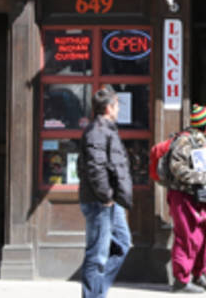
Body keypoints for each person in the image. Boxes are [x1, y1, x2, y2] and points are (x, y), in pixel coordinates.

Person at [167, 104, 206, 293]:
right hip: (185, 197)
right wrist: (203, 177)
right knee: (188, 238)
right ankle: (181, 280)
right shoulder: (184, 142)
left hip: (205, 196)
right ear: (202, 124)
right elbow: (177, 169)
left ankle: (199, 274)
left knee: (205, 237)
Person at [78, 87, 133, 298]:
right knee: (97, 255)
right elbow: (95, 167)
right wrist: (106, 196)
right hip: (100, 202)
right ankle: (94, 295)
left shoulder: (107, 129)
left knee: (123, 243)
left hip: (111, 200)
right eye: (117, 105)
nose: (119, 109)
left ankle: (98, 291)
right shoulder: (97, 131)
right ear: (109, 108)